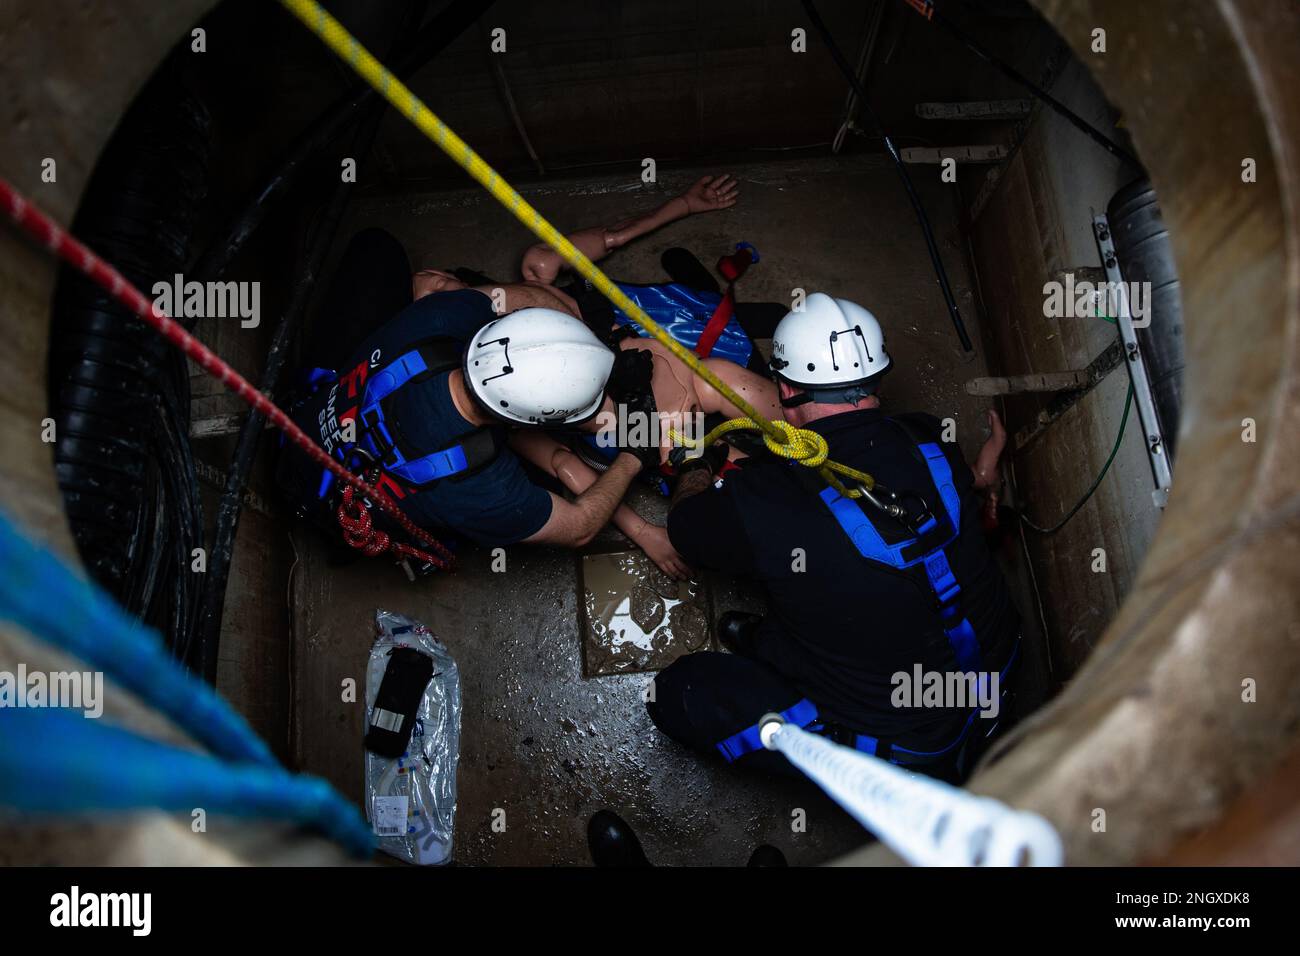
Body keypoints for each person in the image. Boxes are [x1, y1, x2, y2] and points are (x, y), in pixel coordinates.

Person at [645, 293, 1021, 783]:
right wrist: (979, 478)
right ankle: (769, 643)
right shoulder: (928, 439)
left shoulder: (765, 499)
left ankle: (784, 668)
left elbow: (687, 530)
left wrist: (691, 462)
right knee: (845, 589)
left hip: (908, 746)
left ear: (784, 388)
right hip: (997, 669)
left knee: (678, 693)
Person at [278, 228, 675, 573]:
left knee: (377, 249)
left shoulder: (435, 319)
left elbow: (519, 298)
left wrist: (594, 344)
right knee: (540, 485)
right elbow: (579, 527)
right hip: (336, 497)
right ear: (534, 422)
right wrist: (633, 457)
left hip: (318, 421)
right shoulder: (485, 487)